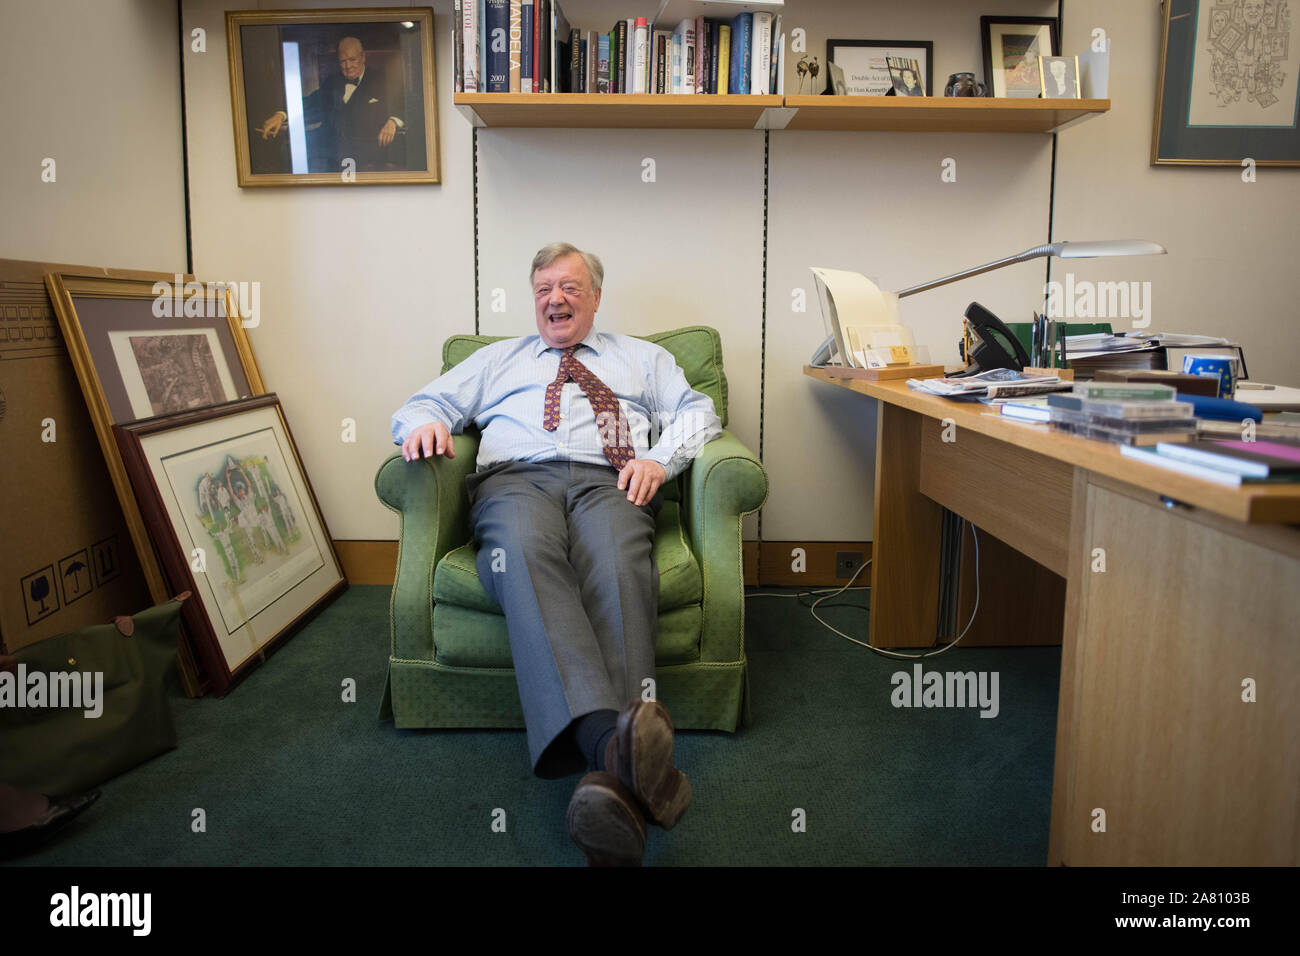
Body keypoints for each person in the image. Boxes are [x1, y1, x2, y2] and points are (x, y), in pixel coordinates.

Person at [391, 242, 723, 865]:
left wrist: (657, 459)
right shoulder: (497, 360)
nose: (555, 299)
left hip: (613, 480)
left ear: (596, 296)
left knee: (620, 565)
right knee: (518, 552)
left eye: (569, 287)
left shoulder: (645, 359)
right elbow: (424, 403)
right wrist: (422, 425)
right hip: (517, 481)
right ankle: (615, 750)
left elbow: (698, 414)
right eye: (544, 288)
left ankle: (607, 785)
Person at [257, 36, 404, 172]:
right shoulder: (332, 82)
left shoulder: (382, 80)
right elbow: (311, 102)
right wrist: (281, 115)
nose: (348, 66)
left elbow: (402, 103)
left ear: (363, 57)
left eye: (352, 60)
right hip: (331, 155)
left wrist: (393, 121)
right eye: (343, 61)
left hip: (367, 158)